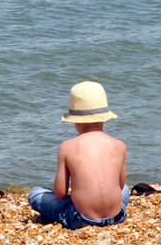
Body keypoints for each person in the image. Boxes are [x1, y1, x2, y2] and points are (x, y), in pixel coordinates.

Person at [28, 81, 130, 230]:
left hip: (81, 218)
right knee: (126, 188)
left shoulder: (67, 147)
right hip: (116, 215)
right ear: (104, 117)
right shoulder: (119, 145)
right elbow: (120, 185)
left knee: (35, 193)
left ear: (76, 121)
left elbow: (60, 192)